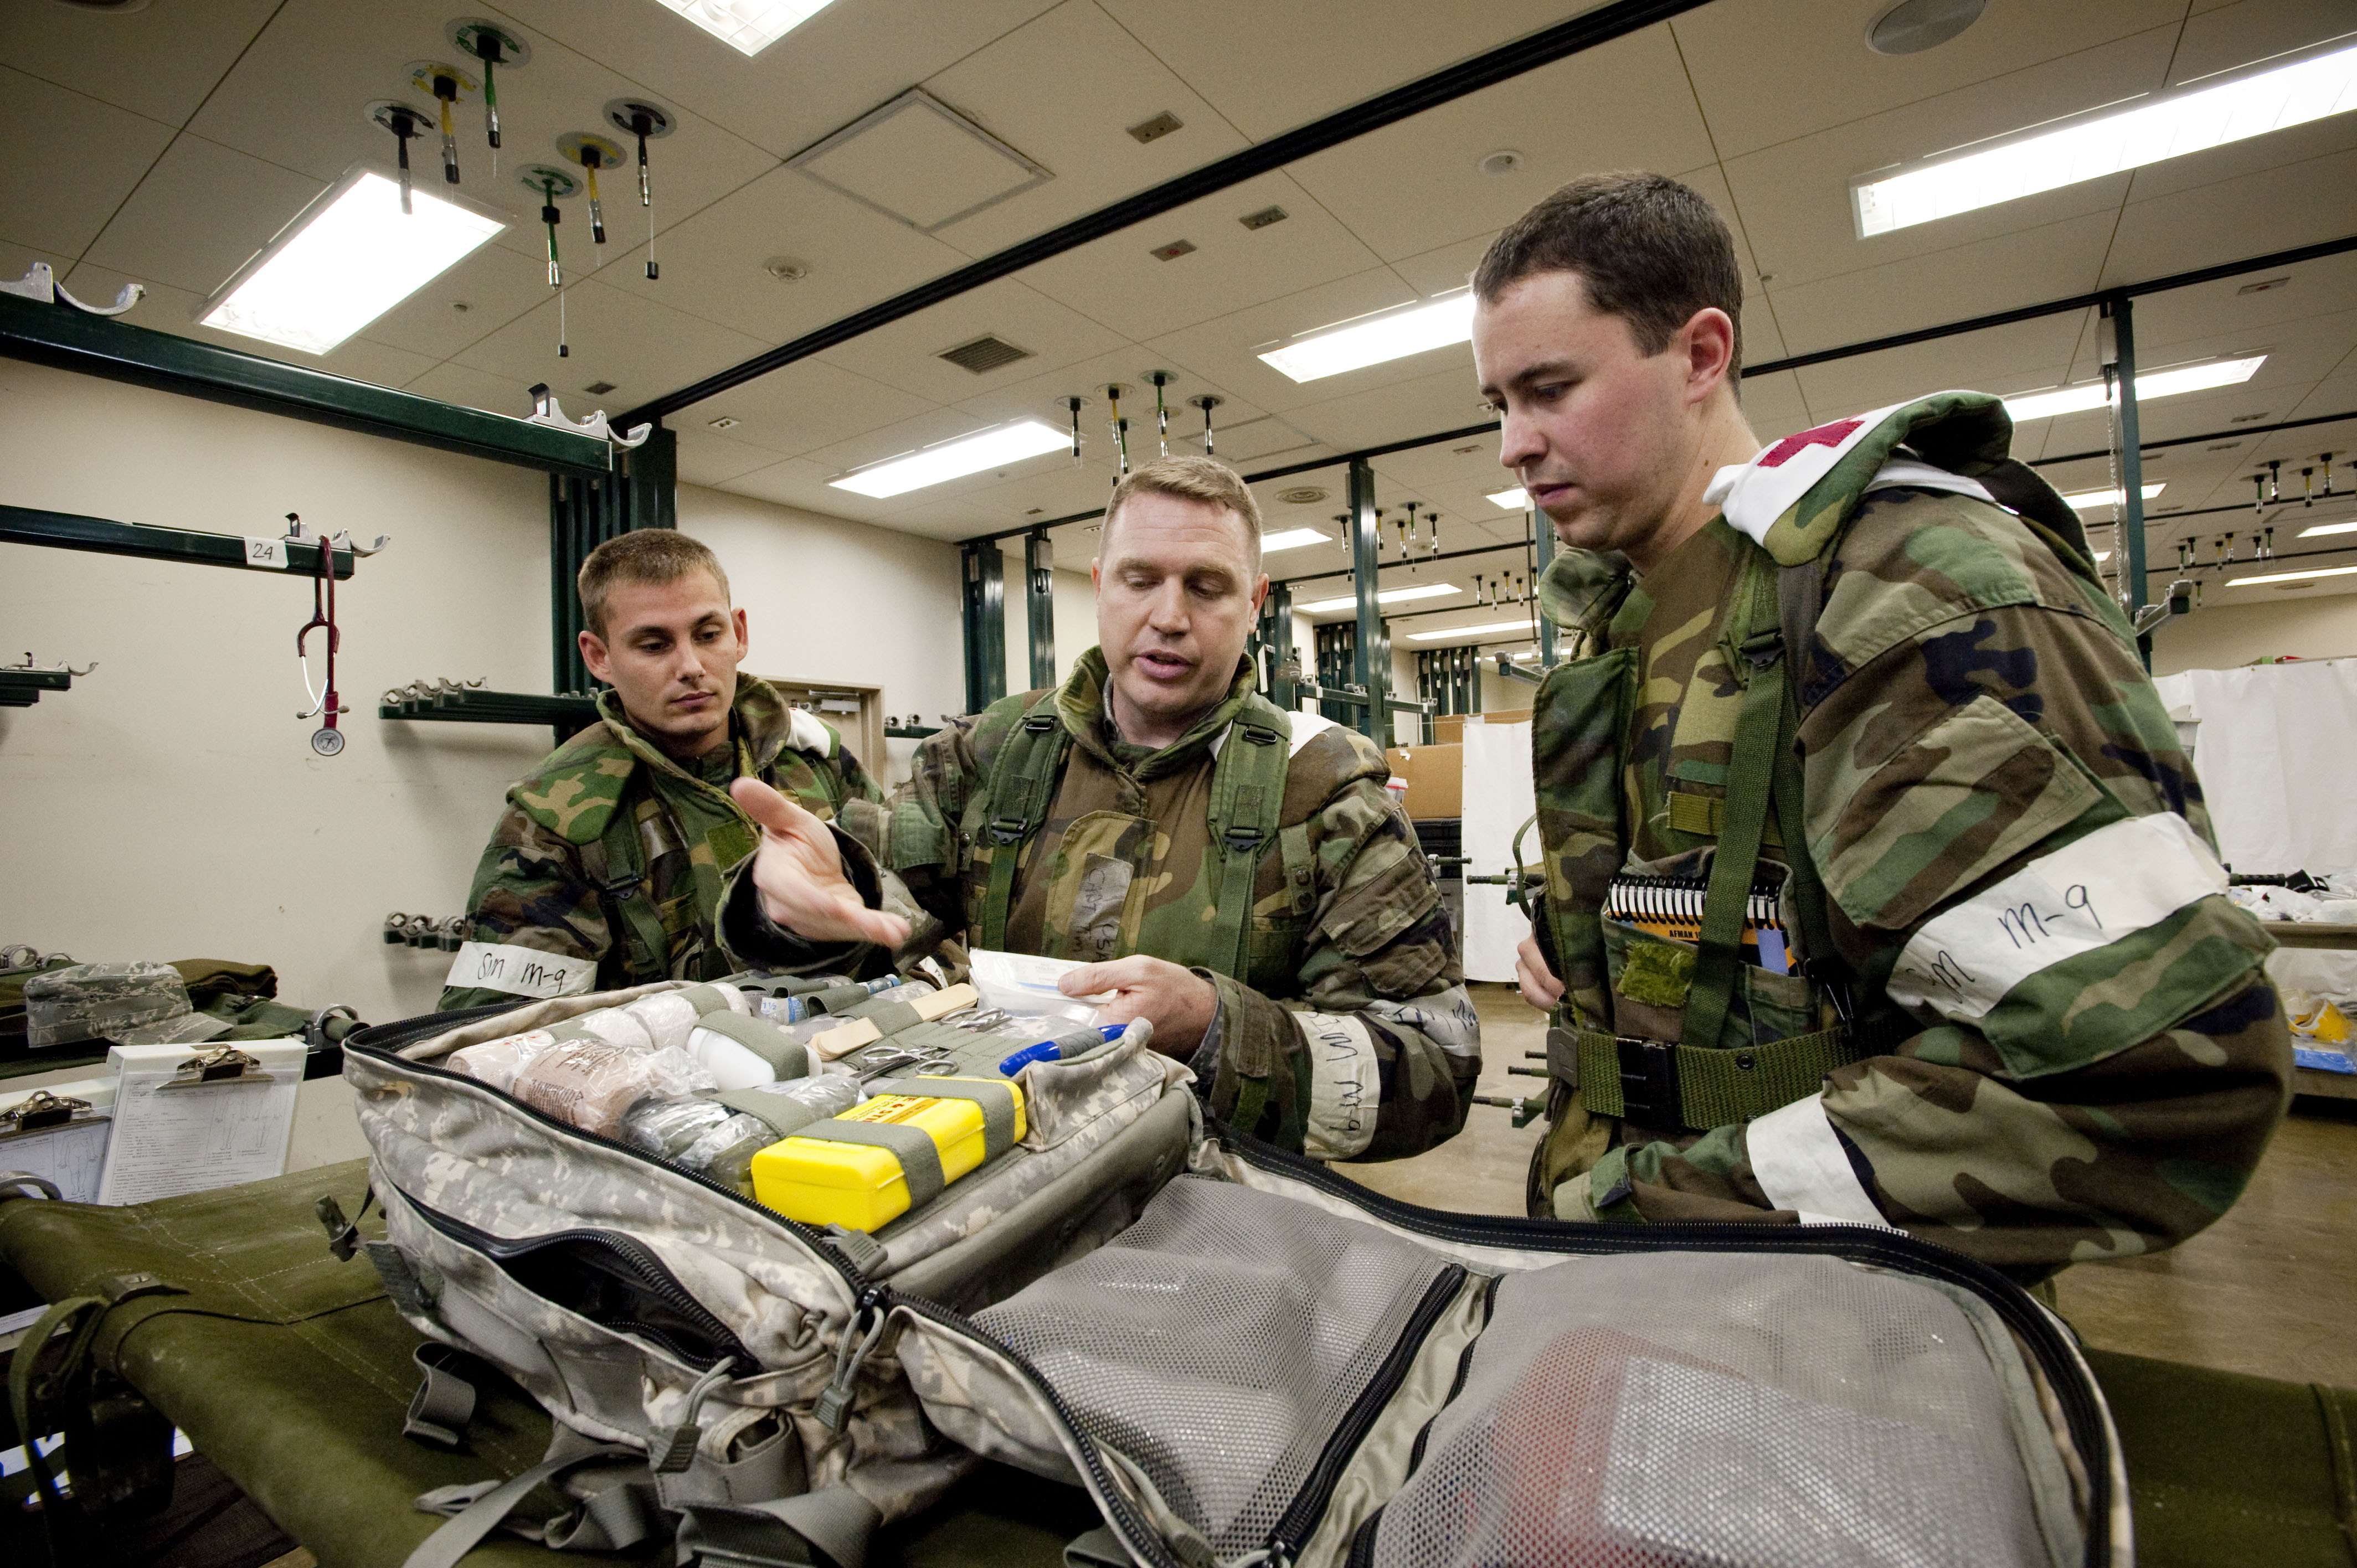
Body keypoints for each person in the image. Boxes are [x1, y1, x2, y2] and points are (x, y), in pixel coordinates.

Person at [1479, 172, 2289, 1277]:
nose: (1513, 445)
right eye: (1498, 404)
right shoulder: (1620, 624)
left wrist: (1657, 1212)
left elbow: (2149, 1070)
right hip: (1646, 1282)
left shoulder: (1905, 584)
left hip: (1827, 1310)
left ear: (1700, 355)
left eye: (1549, 389)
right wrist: (1592, 949)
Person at [716, 457, 1479, 1162]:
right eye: (1139, 580)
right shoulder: (993, 752)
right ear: (1100, 585)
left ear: (1254, 604)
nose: (1168, 616)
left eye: (1206, 587)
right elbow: (872, 909)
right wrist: (796, 908)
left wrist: (1214, 1025)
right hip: (1004, 1188)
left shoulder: (1325, 791)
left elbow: (1435, 1066)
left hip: (1221, 1210)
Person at [440, 530, 881, 1010]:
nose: (691, 666)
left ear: (739, 633)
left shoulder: (815, 761)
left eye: (708, 635)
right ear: (599, 656)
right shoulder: (557, 818)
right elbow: (503, 1026)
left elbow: (916, 913)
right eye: (654, 645)